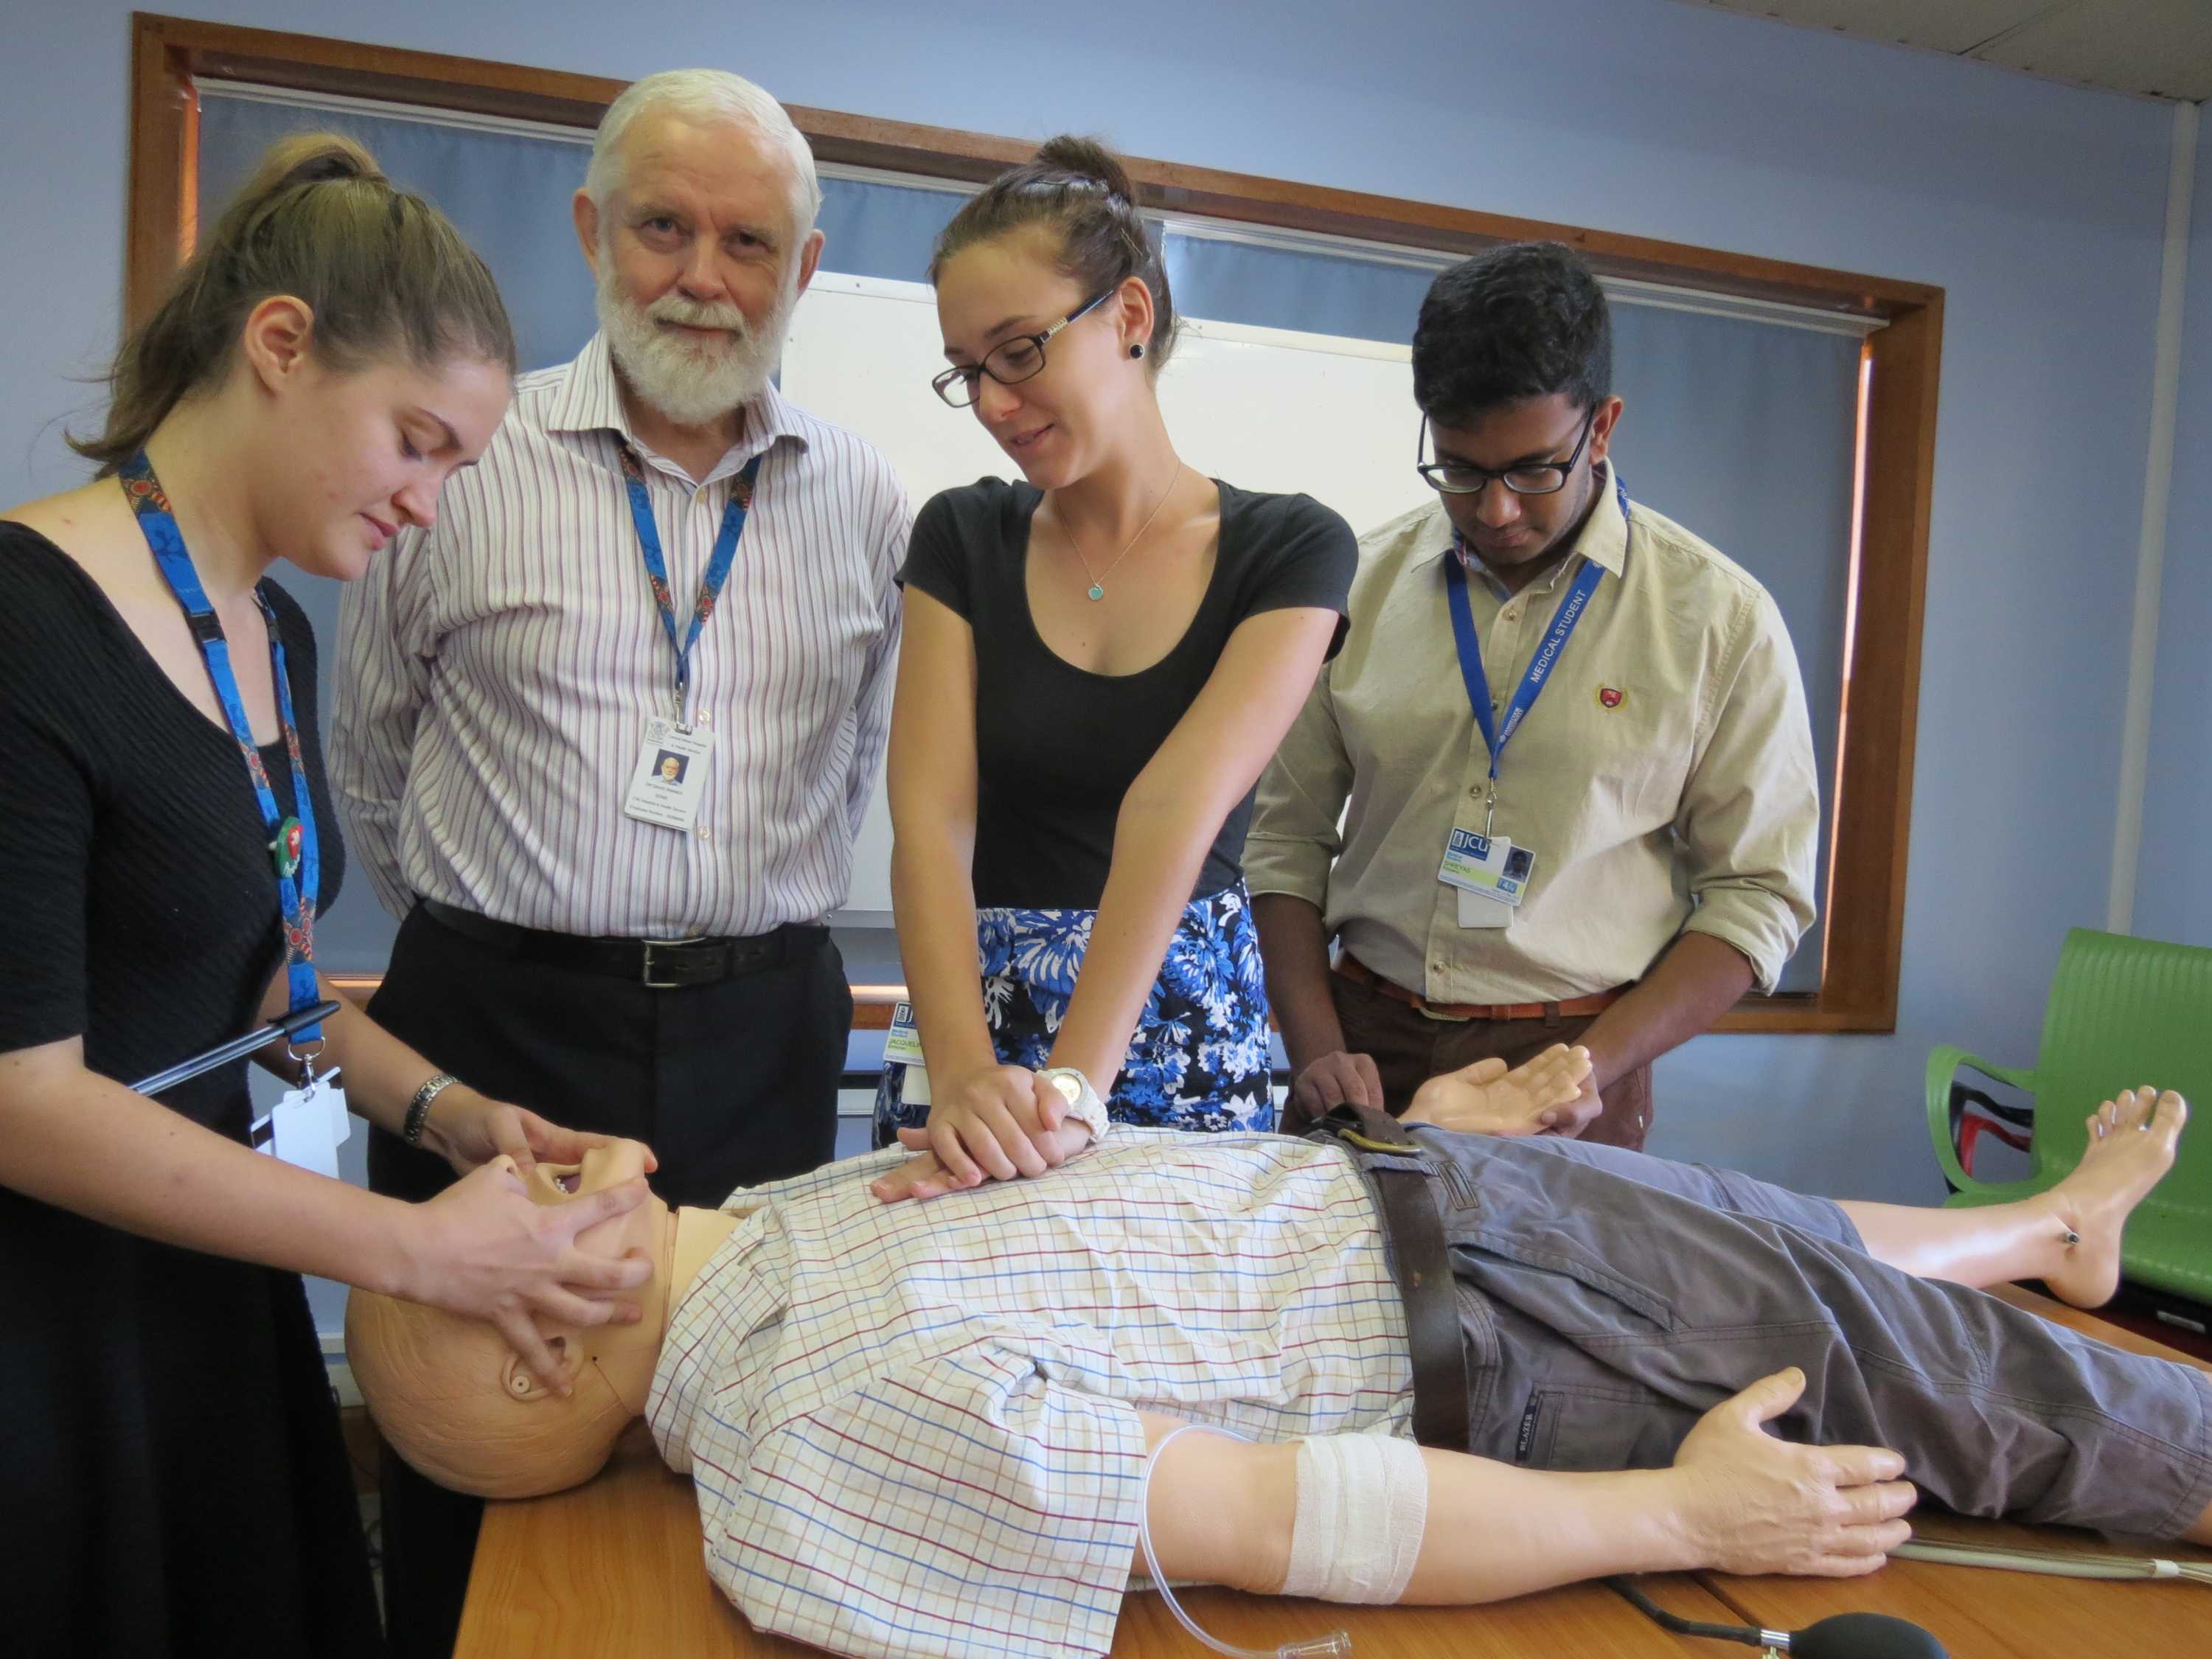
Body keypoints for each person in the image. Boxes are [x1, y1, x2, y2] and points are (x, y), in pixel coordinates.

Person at [348, 1081, 2208, 1659]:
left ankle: (2050, 1229)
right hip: (1507, 1320)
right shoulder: (816, 1418)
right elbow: (1280, 1517)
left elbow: (1133, 1232)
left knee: (1802, 1233)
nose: (497, 1172)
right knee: (2040, 1407)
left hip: (1440, 1192)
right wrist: (1675, 1509)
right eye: (473, 1230)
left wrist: (1398, 1137)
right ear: (538, 1365)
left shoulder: (772, 1223)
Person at [0, 135, 654, 1659]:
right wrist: (415, 1249)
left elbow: (261, 998)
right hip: (52, 1331)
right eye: (416, 442)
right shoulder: (27, 628)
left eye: (459, 467)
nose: (430, 504)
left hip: (211, 1296)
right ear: (280, 345)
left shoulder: (271, 632)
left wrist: (455, 1117)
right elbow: (22, 1096)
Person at [331, 69, 905, 1655]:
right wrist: (503, 931)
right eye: (663, 227)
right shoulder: (467, 457)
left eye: (748, 241)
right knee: (478, 1443)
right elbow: (369, 748)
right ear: (593, 231)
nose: (703, 278)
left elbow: (861, 763)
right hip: (490, 1026)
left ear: (803, 268)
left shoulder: (864, 497)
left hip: (758, 1034)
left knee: (741, 1447)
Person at [1248, 242, 1820, 1149]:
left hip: (1577, 1059)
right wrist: (1314, 1047)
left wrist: (1585, 1068)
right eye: (1462, 470)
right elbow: (1284, 839)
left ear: (1602, 427)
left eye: (1533, 470)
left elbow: (1758, 894)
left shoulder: (1719, 620)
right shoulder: (1356, 585)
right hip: (1361, 1046)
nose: (1497, 509)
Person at [876, 136, 1357, 1184]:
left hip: (1178, 1025)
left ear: (1128, 317)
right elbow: (930, 815)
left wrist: (1074, 1091)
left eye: (1018, 351)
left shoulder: (1291, 549)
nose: (995, 401)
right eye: (968, 371)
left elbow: (1173, 809)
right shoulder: (964, 537)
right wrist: (964, 1073)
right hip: (977, 1017)